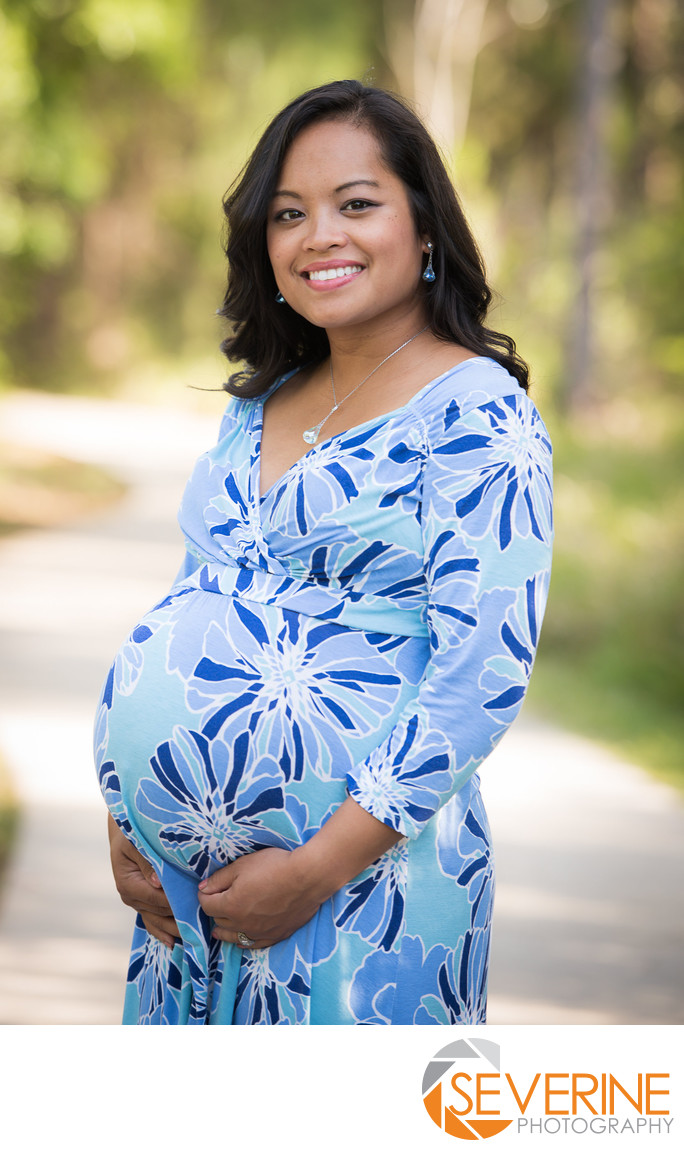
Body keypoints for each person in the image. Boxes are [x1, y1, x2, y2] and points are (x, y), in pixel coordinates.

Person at [95, 79, 553, 1025]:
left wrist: (310, 872)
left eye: (358, 204)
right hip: (188, 910)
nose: (319, 236)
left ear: (425, 230)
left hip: (363, 893)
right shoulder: (256, 406)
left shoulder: (476, 412)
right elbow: (189, 608)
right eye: (290, 213)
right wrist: (129, 823)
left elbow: (478, 682)